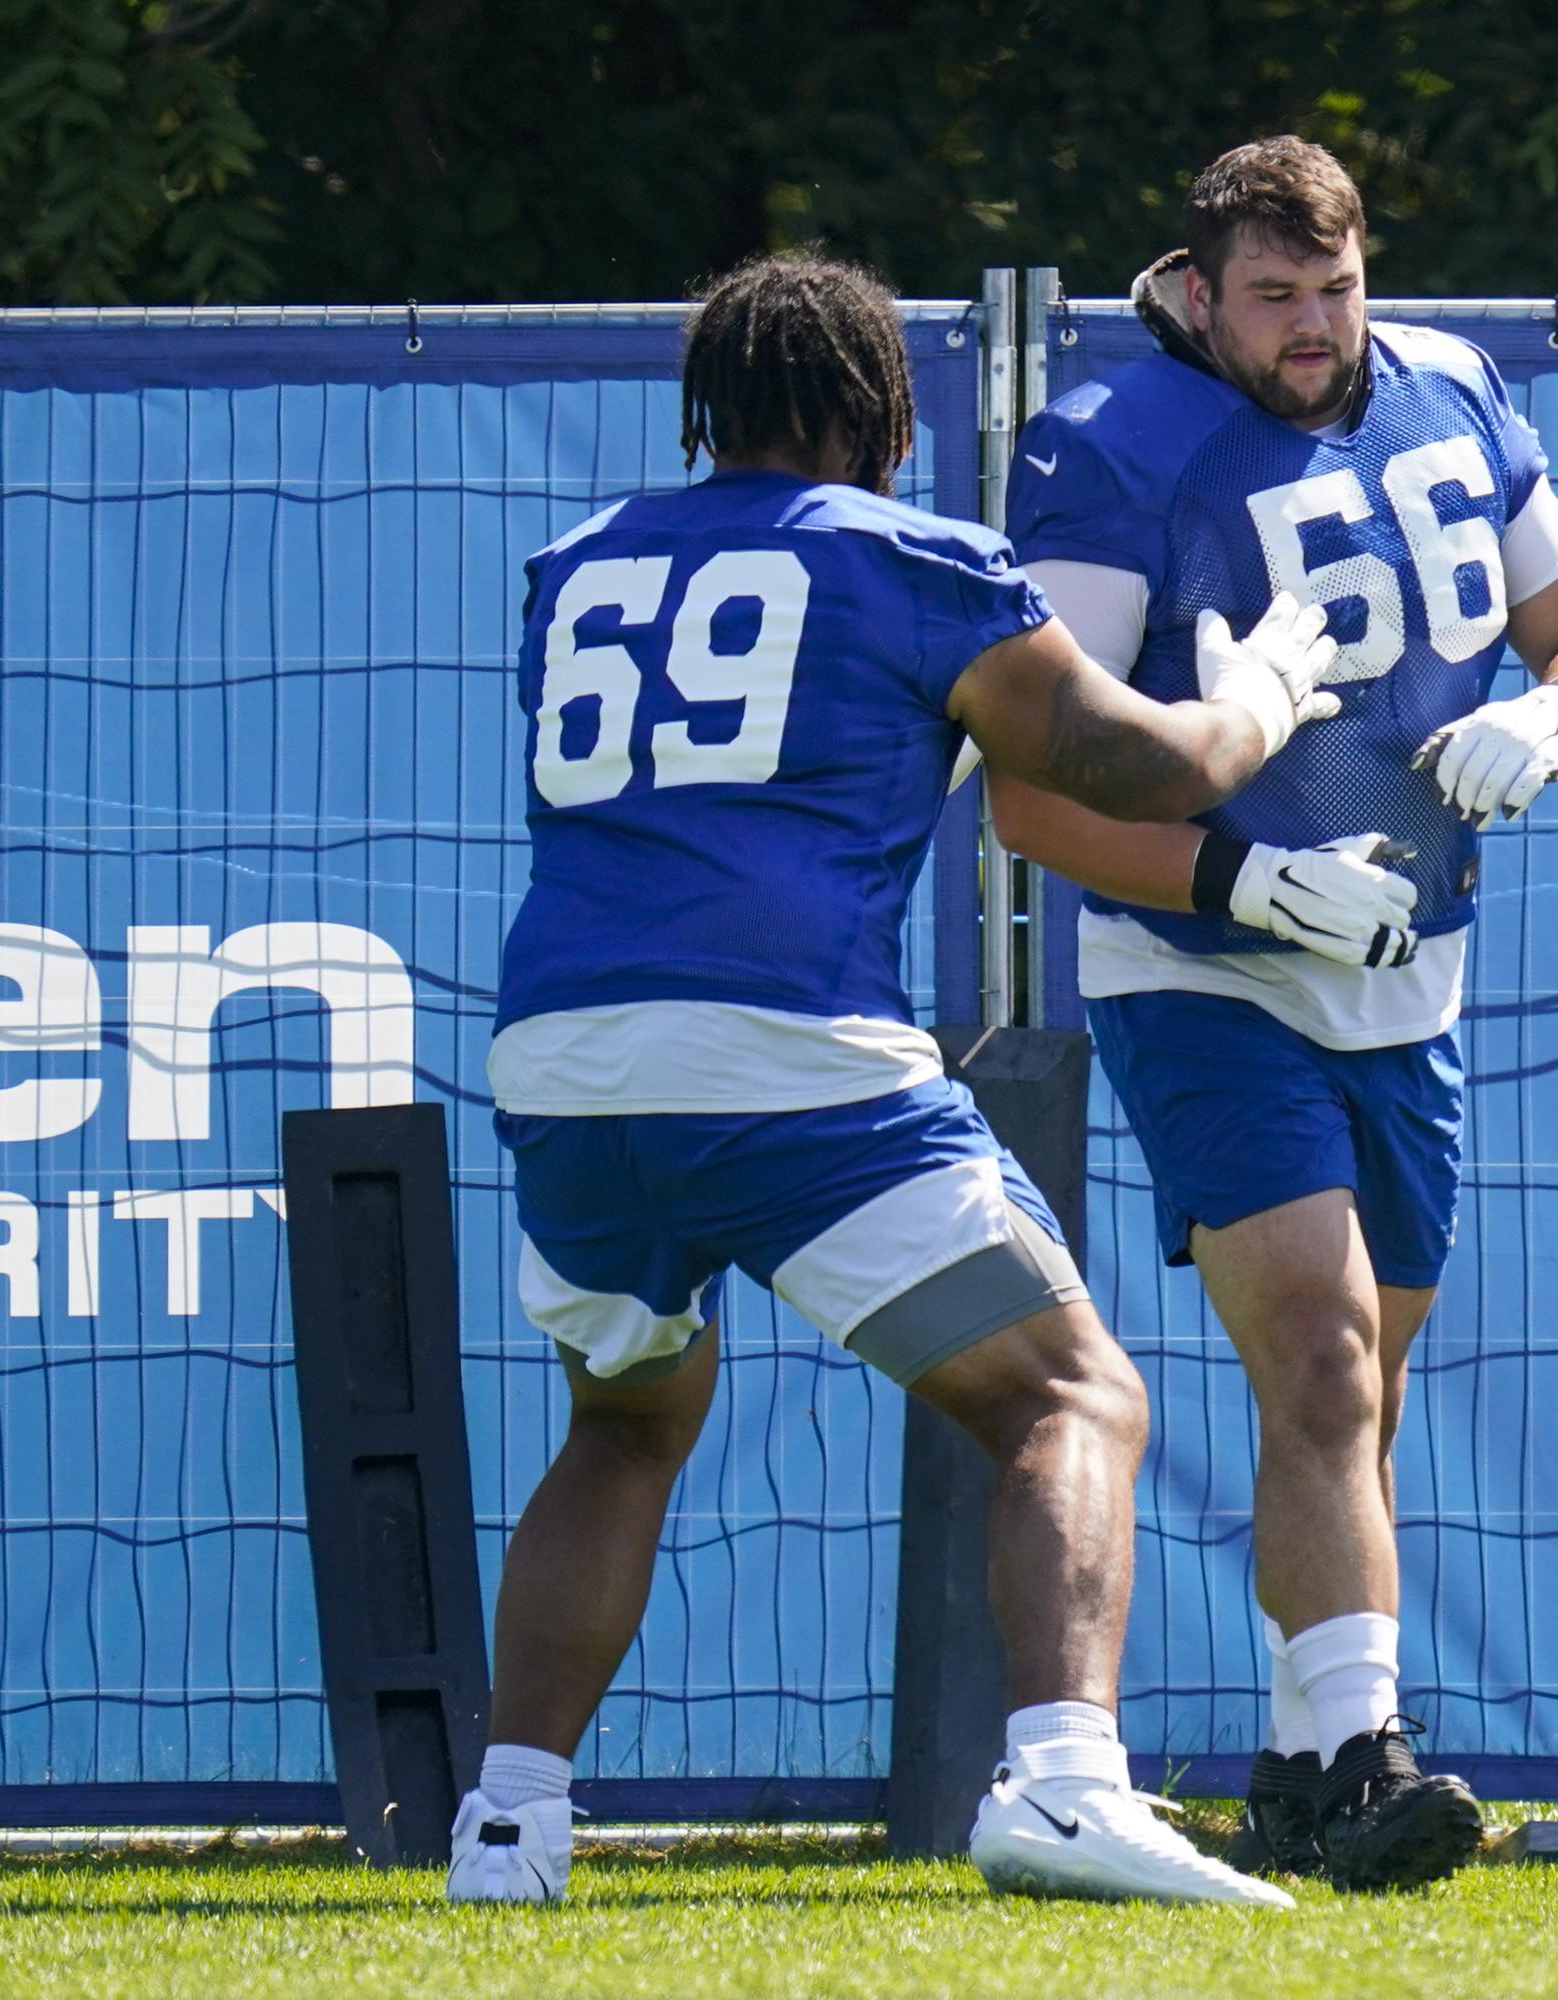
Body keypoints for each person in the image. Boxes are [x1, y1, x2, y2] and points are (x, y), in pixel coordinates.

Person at [448, 250, 1343, 1910]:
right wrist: (1267, 694)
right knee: (1071, 1399)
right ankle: (1067, 1784)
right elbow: (1137, 767)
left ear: (712, 405)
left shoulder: (574, 567)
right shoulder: (913, 558)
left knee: (626, 1420)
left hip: (564, 1053)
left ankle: (510, 1821)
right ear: (881, 406)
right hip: (784, 1043)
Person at [997, 137, 1558, 1892]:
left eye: (1337, 286)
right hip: (1206, 971)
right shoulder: (1115, 445)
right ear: (1197, 290)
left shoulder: (1447, 385)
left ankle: (1294, 1761)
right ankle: (1371, 1756)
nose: (1313, 327)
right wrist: (1241, 882)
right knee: (1325, 1350)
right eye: (1274, 295)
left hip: (1412, 970)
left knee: (1364, 1396)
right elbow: (1032, 794)